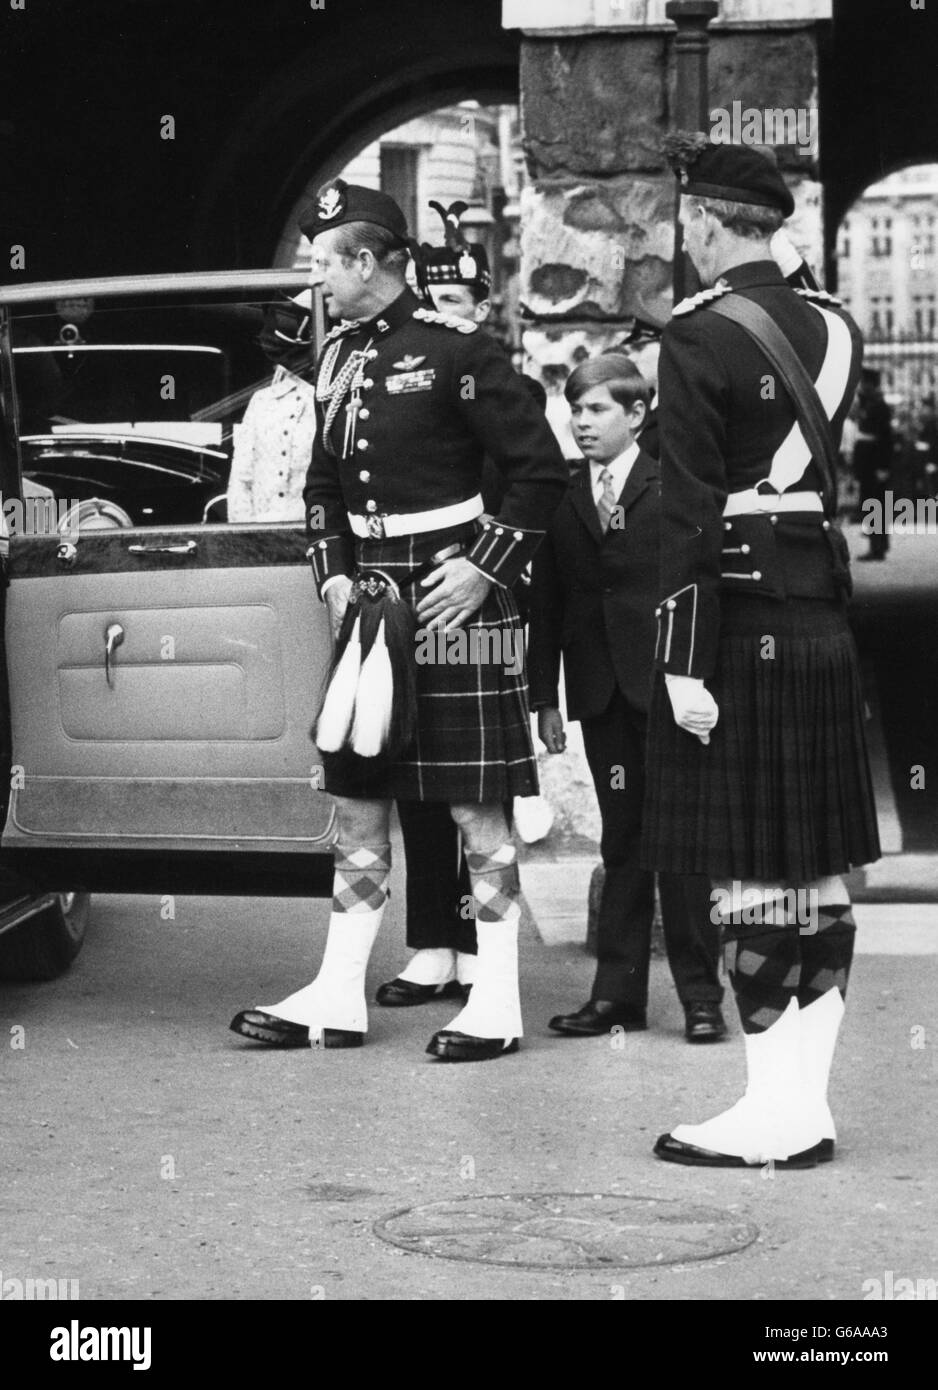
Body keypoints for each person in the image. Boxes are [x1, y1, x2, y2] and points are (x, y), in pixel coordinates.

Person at [229, 179, 567, 1062]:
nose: (317, 283)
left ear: (368, 261)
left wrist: (484, 568)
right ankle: (337, 995)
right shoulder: (335, 357)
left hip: (453, 593)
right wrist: (334, 575)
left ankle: (494, 1003)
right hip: (371, 597)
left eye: (324, 266)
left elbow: (540, 471)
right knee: (355, 799)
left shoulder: (461, 350)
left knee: (475, 811)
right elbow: (323, 489)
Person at [642, 138, 880, 1168]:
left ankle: (767, 1111)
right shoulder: (836, 327)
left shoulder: (697, 337)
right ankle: (803, 1103)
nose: (680, 235)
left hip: (737, 620)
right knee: (814, 872)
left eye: (686, 218)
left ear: (709, 222)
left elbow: (686, 510)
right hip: (817, 615)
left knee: (744, 872)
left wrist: (678, 655)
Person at [528, 355, 725, 1042]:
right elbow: (546, 601)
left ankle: (703, 998)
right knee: (623, 844)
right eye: (576, 410)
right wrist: (543, 698)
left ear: (637, 414)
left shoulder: (671, 488)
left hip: (666, 690)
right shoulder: (560, 493)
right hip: (601, 693)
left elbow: (700, 589)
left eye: (598, 410)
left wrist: (695, 678)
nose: (583, 422)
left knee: (684, 844)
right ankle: (617, 997)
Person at [852, 367, 894, 560]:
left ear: (871, 384)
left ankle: (877, 548)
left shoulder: (879, 407)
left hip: (875, 463)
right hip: (869, 463)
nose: (861, 386)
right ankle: (877, 545)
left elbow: (885, 439)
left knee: (876, 504)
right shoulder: (871, 404)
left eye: (864, 383)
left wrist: (883, 467)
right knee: (872, 503)